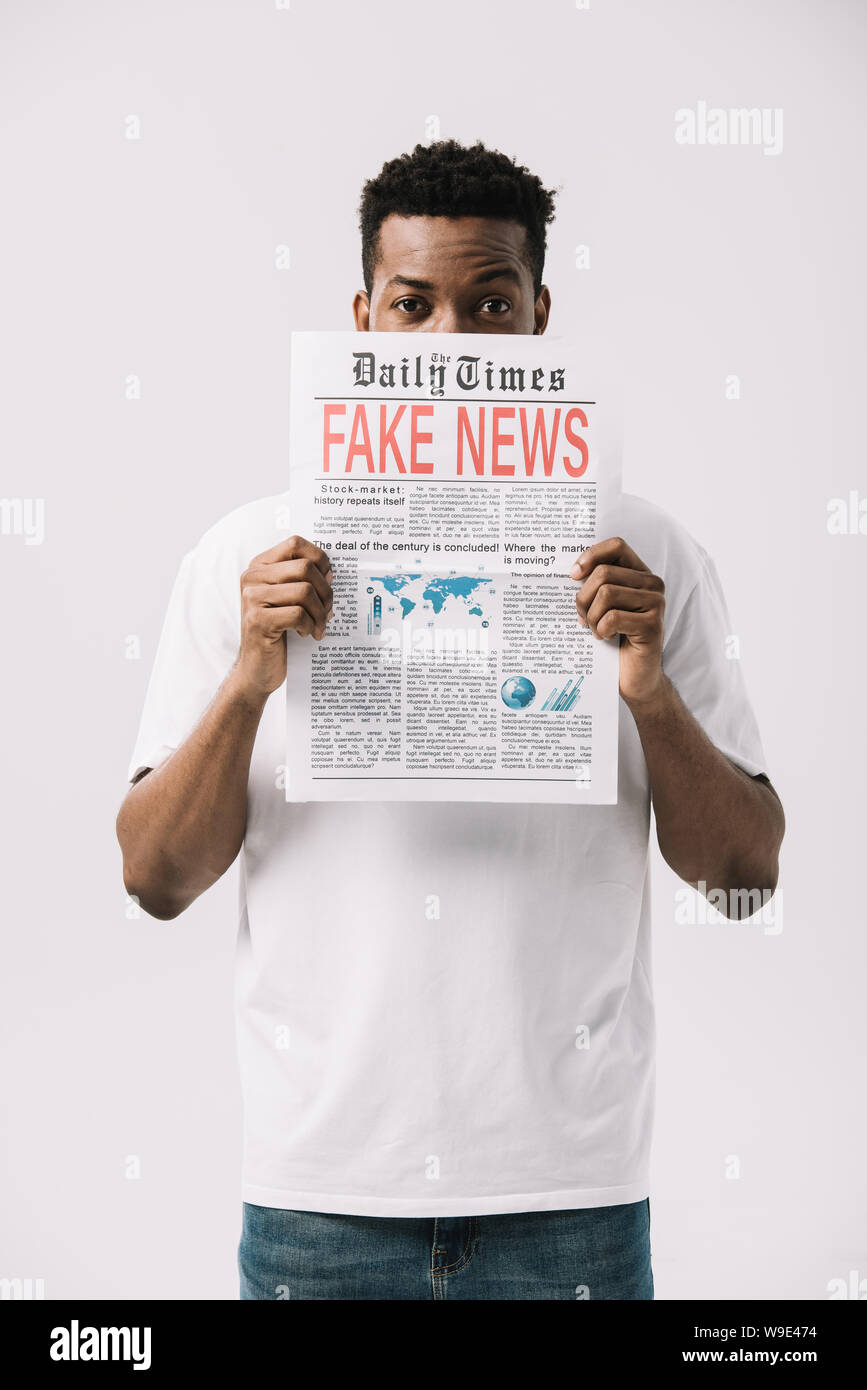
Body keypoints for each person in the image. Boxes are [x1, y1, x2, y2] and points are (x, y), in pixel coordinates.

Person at [116, 139, 785, 1301]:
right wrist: (246, 681)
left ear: (540, 317)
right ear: (362, 318)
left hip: (568, 1193)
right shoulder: (243, 559)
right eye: (413, 305)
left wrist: (648, 690)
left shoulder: (648, 557)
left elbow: (744, 875)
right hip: (321, 1193)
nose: (452, 344)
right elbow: (154, 878)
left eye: (490, 302)